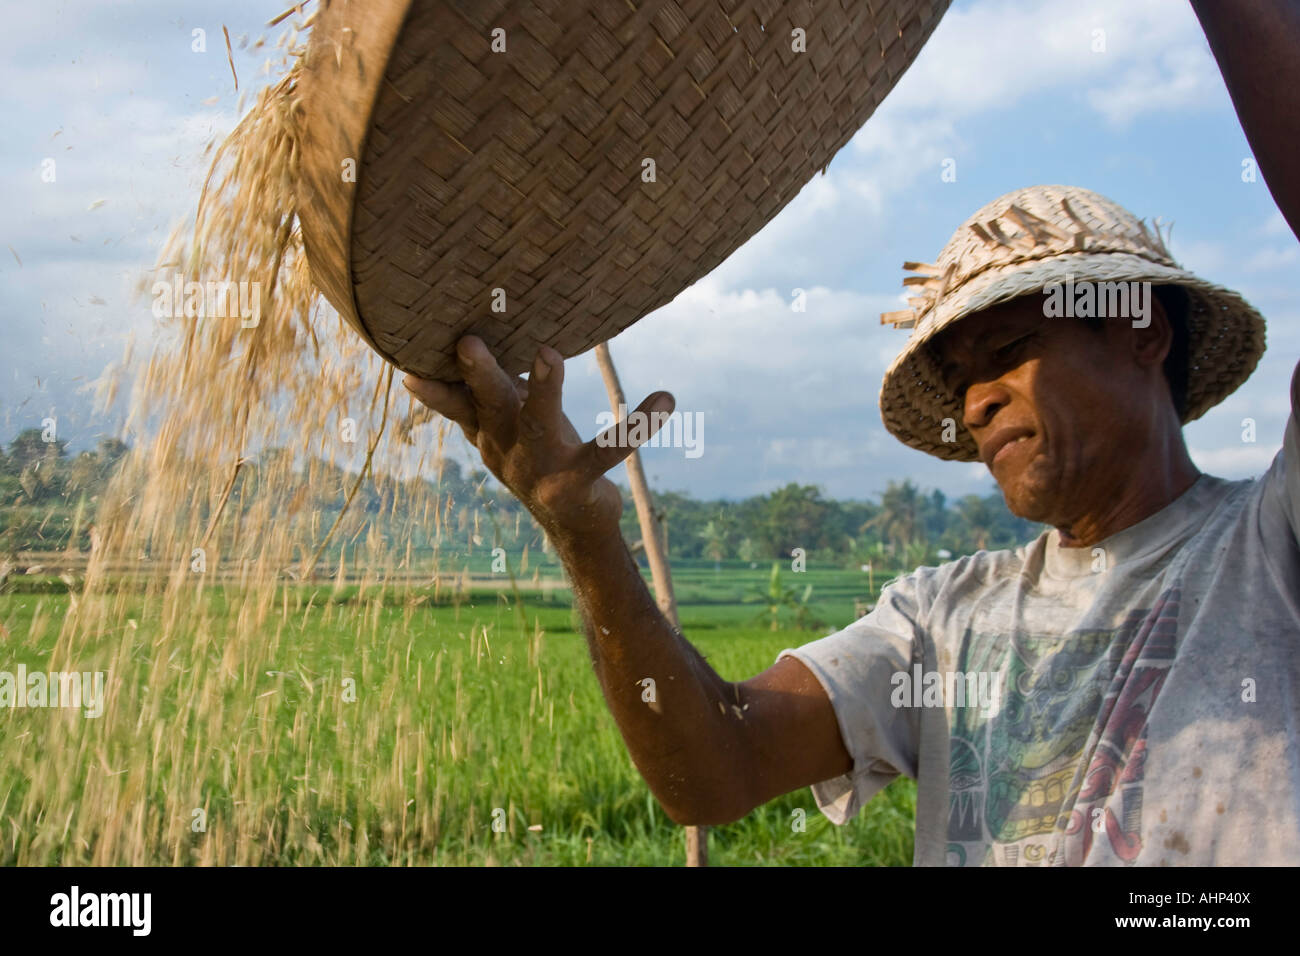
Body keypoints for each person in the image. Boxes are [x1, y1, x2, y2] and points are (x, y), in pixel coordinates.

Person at [403, 0, 1300, 865]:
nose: (978, 402)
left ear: (1141, 331)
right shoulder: (946, 621)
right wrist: (588, 539)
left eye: (1012, 348)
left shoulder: (1271, 547)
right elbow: (717, 771)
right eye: (960, 382)